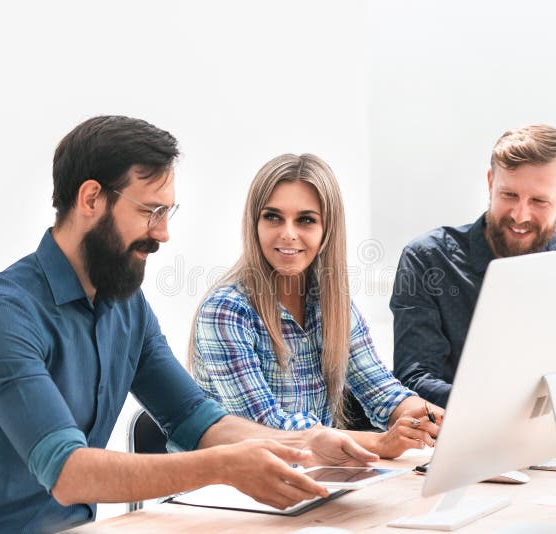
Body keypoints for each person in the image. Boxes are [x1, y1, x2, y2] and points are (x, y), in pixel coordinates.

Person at [0, 117, 378, 533]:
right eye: (151, 211)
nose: (163, 233)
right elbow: (68, 474)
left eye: (168, 213)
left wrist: (303, 444)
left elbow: (196, 419)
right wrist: (224, 465)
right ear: (91, 199)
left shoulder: (127, 306)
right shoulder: (2, 315)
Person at [189, 153, 442, 459]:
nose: (288, 233)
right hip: (228, 495)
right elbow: (268, 428)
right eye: (272, 217)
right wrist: (379, 443)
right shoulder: (226, 311)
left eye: (306, 220)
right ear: (253, 223)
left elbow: (382, 392)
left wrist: (433, 420)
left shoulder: (332, 307)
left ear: (327, 230)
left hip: (312, 482)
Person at [390, 124, 556, 408]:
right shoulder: (428, 259)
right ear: (490, 183)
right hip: (462, 439)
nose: (520, 215)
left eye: (538, 201)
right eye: (509, 195)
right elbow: (414, 379)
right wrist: (506, 407)